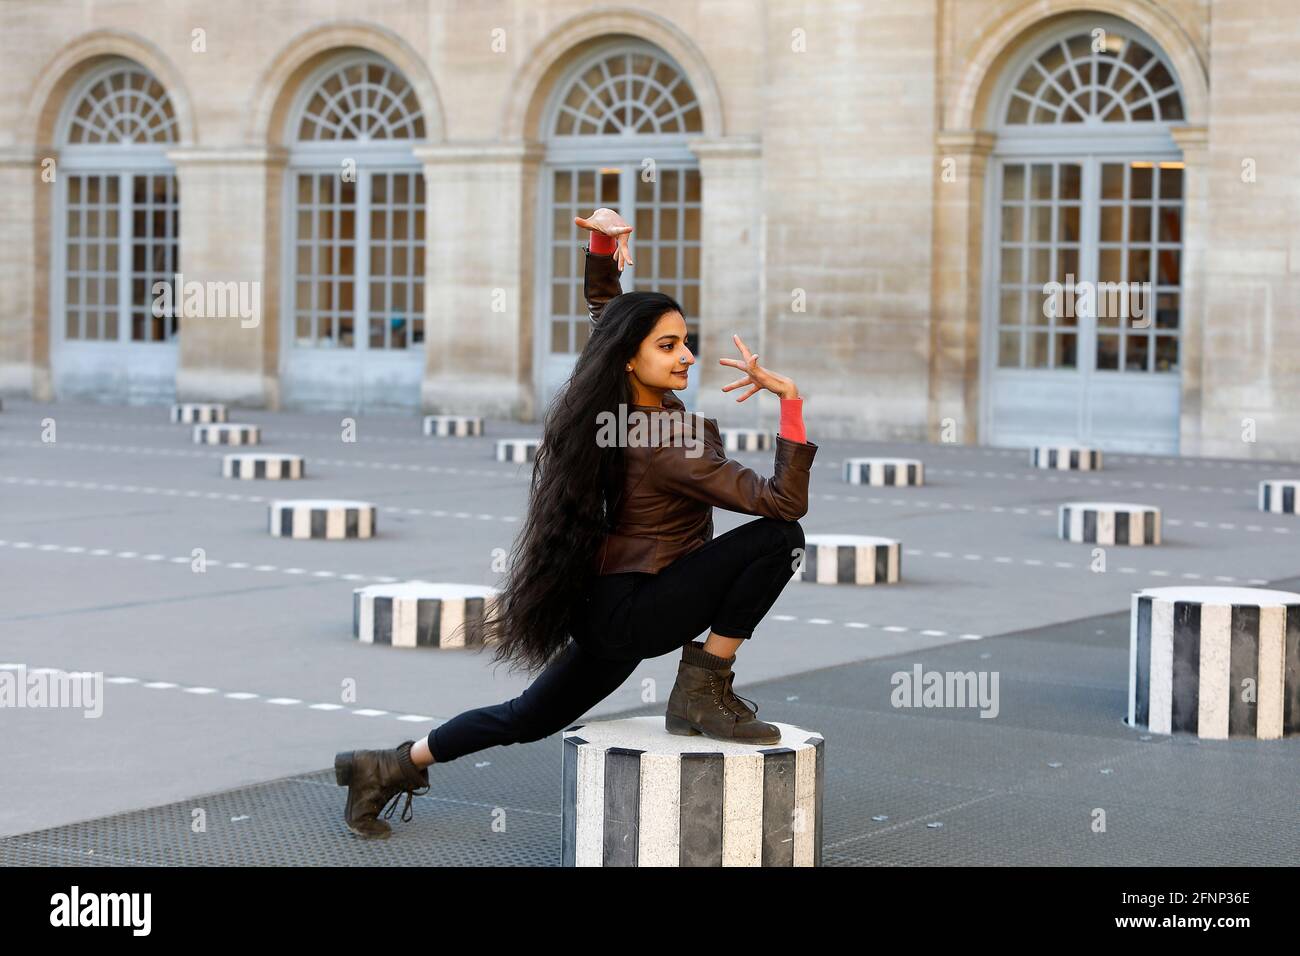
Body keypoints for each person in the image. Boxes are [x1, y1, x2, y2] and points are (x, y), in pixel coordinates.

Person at [333, 207, 818, 839]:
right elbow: (783, 503)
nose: (688, 357)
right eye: (668, 347)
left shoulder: (616, 401)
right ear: (630, 359)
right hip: (641, 607)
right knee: (780, 541)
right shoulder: (669, 439)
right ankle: (703, 688)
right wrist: (791, 404)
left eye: (686, 342)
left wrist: (601, 246)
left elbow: (605, 312)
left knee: (525, 717)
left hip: (610, 608)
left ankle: (388, 765)